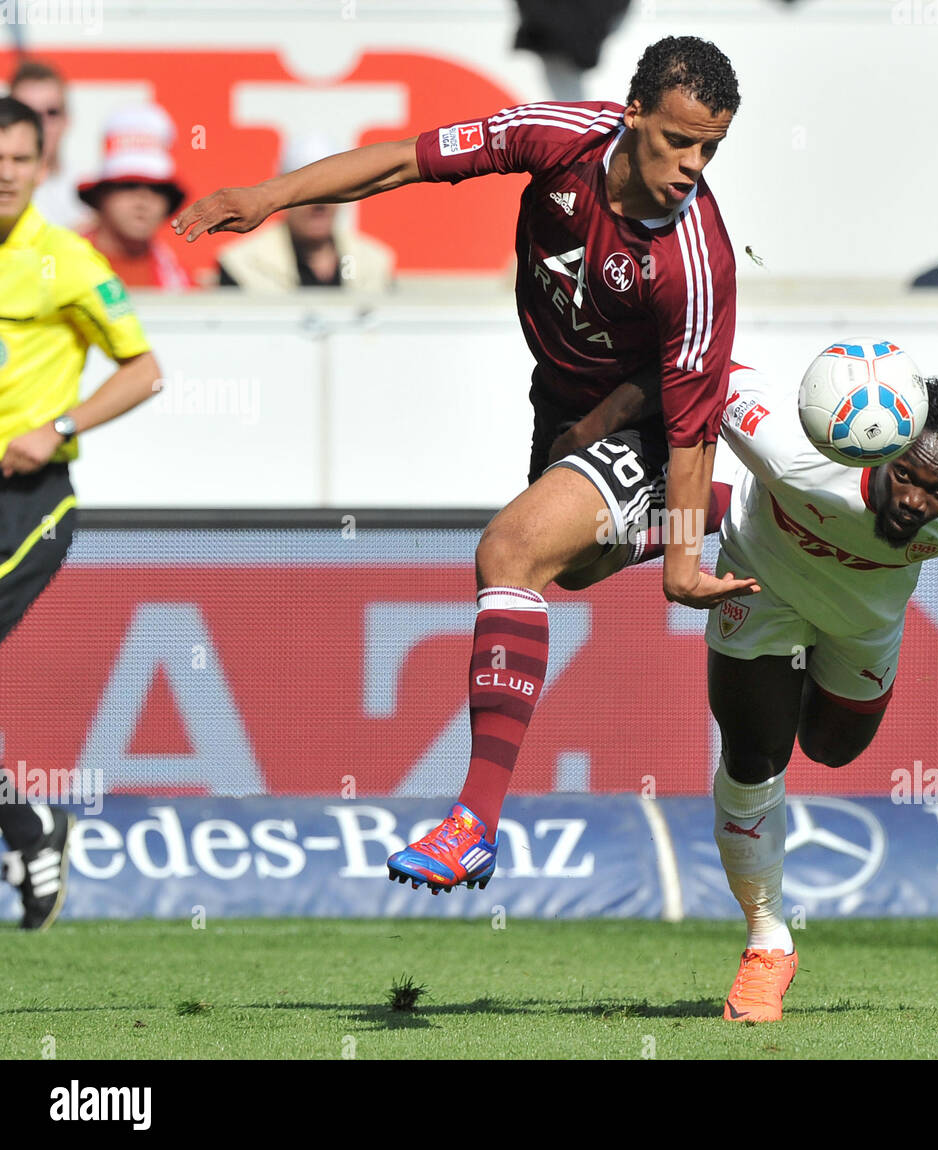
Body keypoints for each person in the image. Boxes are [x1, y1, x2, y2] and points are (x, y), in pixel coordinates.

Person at [173, 36, 757, 893]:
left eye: (711, 149)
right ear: (632, 114)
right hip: (558, 403)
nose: (692, 165)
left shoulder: (695, 262)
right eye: (679, 141)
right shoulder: (558, 137)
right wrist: (267, 195)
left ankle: (472, 824)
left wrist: (676, 568)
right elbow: (400, 165)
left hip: (652, 427)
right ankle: (721, 509)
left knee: (508, 552)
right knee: (574, 571)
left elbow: (692, 420)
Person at [703, 357, 938, 1020]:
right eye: (905, 475)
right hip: (761, 585)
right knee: (756, 757)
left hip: (863, 623)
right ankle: (767, 943)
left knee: (831, 749)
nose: (914, 501)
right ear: (882, 448)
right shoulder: (792, 447)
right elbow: (698, 364)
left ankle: (801, 674)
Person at [0, 96, 163, 929]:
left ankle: (25, 822)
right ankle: (26, 820)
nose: (4, 171)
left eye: (20, 159)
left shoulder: (65, 262)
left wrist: (55, 428)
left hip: (25, 499)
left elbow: (143, 370)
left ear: (41, 166)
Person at [218, 134, 395, 291]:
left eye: (330, 189)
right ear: (281, 196)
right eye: (306, 193)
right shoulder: (242, 265)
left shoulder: (374, 263)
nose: (319, 203)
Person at [78, 103, 192, 290]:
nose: (143, 201)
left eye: (157, 189)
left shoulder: (181, 284)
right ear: (100, 195)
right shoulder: (59, 264)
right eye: (128, 186)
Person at [7, 59, 87, 231]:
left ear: (67, 119)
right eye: (28, 114)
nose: (41, 124)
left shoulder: (92, 193)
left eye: (51, 112)